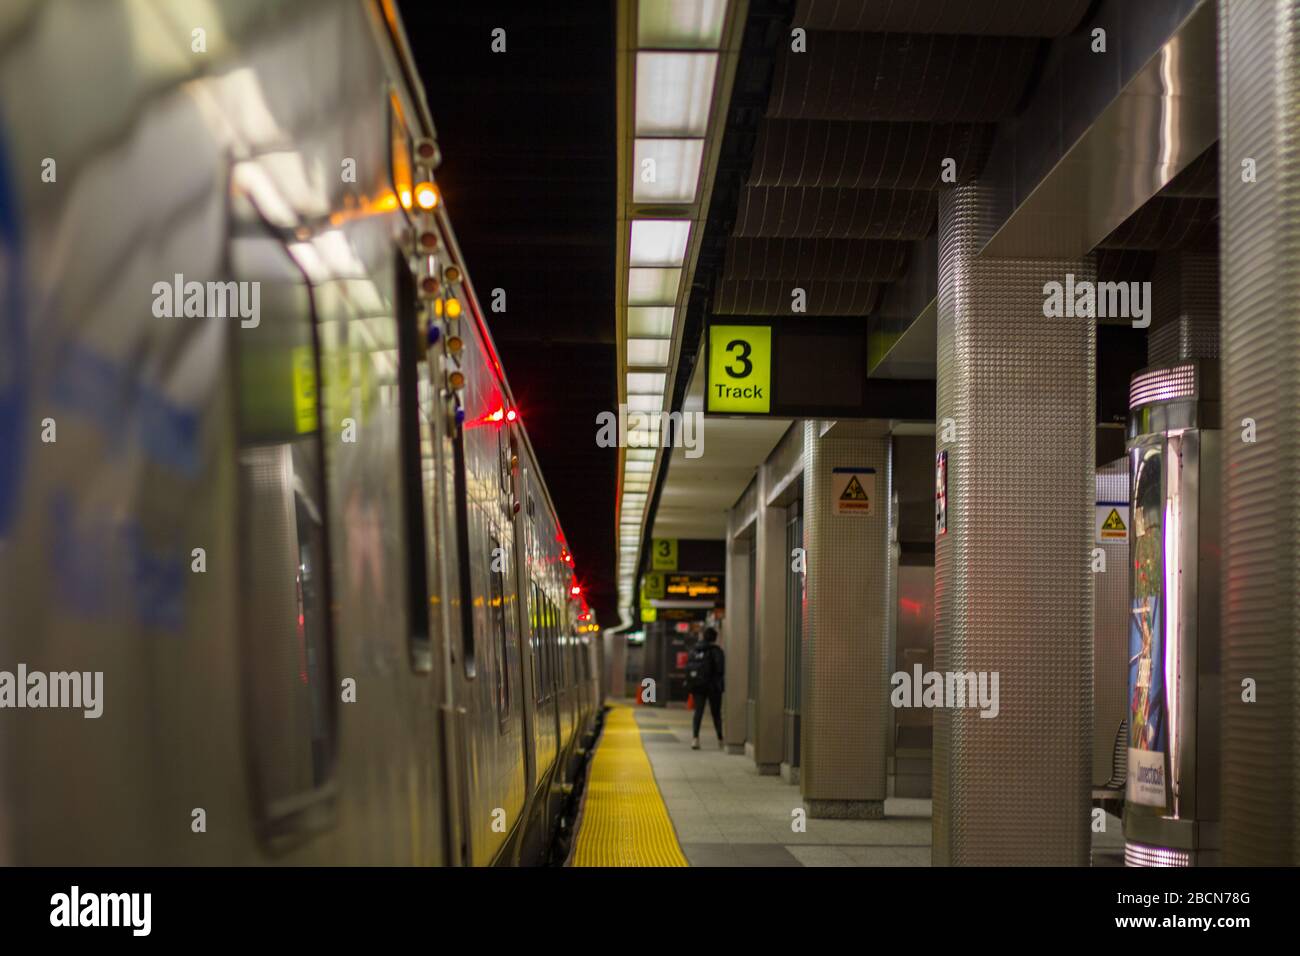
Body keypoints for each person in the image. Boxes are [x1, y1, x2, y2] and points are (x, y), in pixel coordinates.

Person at [688, 627, 725, 750]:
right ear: (715, 638)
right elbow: (720, 669)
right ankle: (720, 739)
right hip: (713, 687)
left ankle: (695, 739)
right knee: (716, 713)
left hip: (698, 686)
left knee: (698, 712)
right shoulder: (717, 651)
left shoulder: (694, 650)